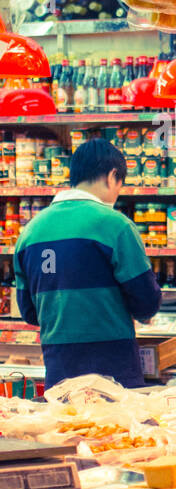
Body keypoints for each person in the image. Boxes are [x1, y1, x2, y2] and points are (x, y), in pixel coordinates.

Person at [14, 138, 161, 388]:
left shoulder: (29, 233)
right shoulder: (116, 226)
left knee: (67, 428)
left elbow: (29, 312)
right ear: (113, 175)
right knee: (114, 429)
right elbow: (146, 302)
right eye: (120, 184)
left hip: (59, 372)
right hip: (114, 373)